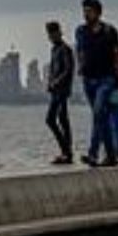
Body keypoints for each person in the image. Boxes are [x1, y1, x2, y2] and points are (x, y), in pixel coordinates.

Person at [76, 0, 118, 167]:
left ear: (98, 12)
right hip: (88, 79)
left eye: (89, 11)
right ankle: (112, 156)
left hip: (106, 79)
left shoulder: (110, 31)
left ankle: (93, 153)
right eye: (84, 11)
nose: (86, 14)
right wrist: (81, 66)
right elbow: (79, 51)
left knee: (99, 112)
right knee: (102, 117)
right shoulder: (80, 31)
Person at [44, 21, 75, 165]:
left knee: (51, 120)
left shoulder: (65, 49)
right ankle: (67, 153)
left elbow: (68, 70)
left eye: (51, 34)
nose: (49, 37)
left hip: (61, 90)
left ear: (57, 32)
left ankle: (67, 152)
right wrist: (50, 82)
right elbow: (53, 69)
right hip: (55, 90)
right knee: (62, 119)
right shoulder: (54, 50)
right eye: (48, 34)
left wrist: (56, 82)